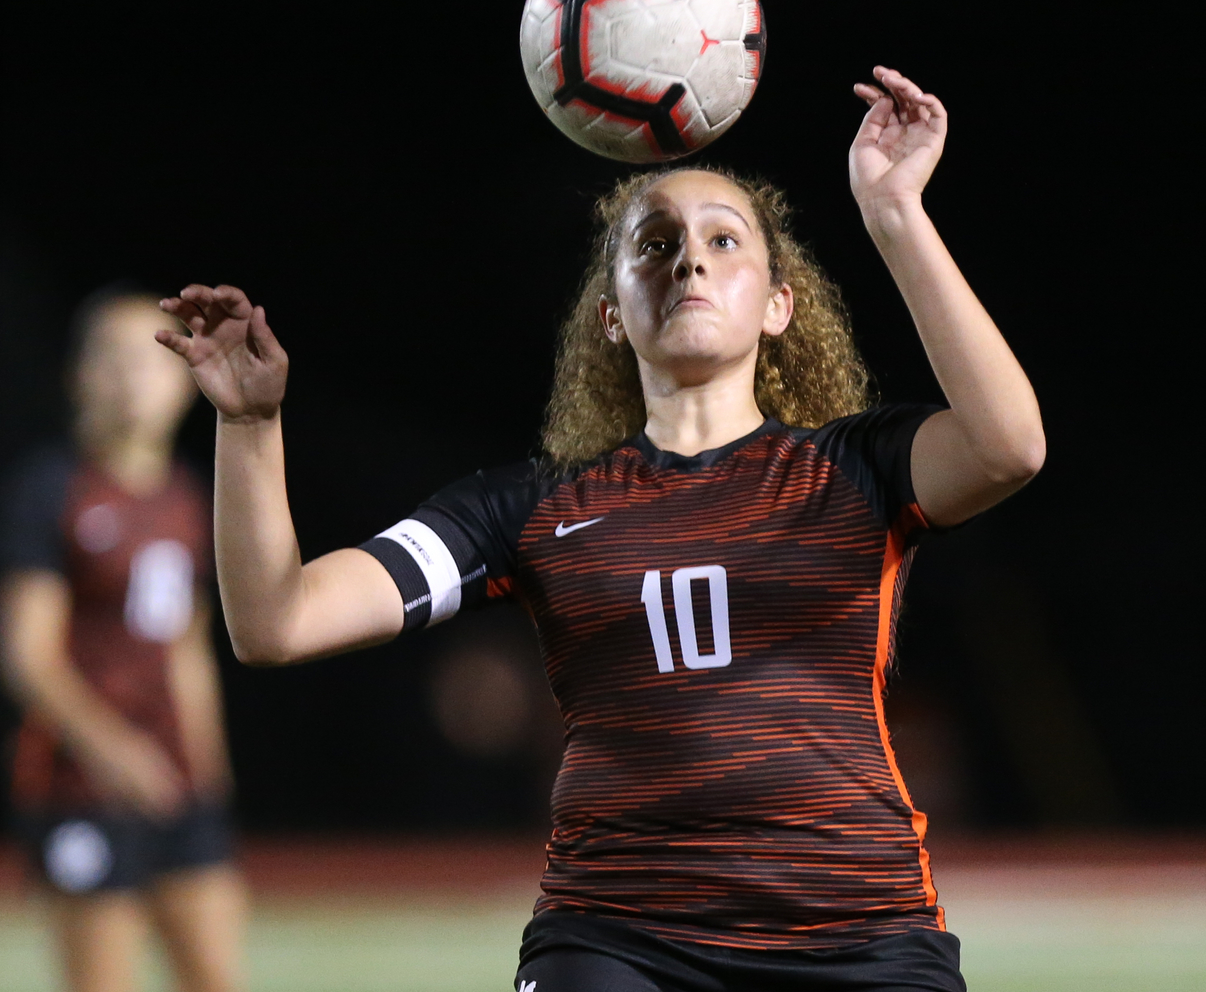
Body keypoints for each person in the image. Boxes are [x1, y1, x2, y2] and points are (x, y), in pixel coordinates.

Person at [158, 67, 1044, 991]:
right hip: (619, 936)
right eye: (655, 242)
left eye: (723, 239)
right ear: (612, 314)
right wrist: (250, 427)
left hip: (857, 927)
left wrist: (896, 213)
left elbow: (1009, 445)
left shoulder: (852, 469)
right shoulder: (534, 505)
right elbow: (277, 622)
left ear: (780, 305)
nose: (689, 259)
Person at [1, 289, 245, 992]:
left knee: (218, 976)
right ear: (79, 375)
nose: (132, 376)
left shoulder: (188, 498)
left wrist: (207, 773)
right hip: (81, 786)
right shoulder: (52, 490)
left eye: (151, 358)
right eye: (111, 358)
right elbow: (28, 656)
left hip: (176, 785)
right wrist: (117, 753)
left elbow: (187, 649)